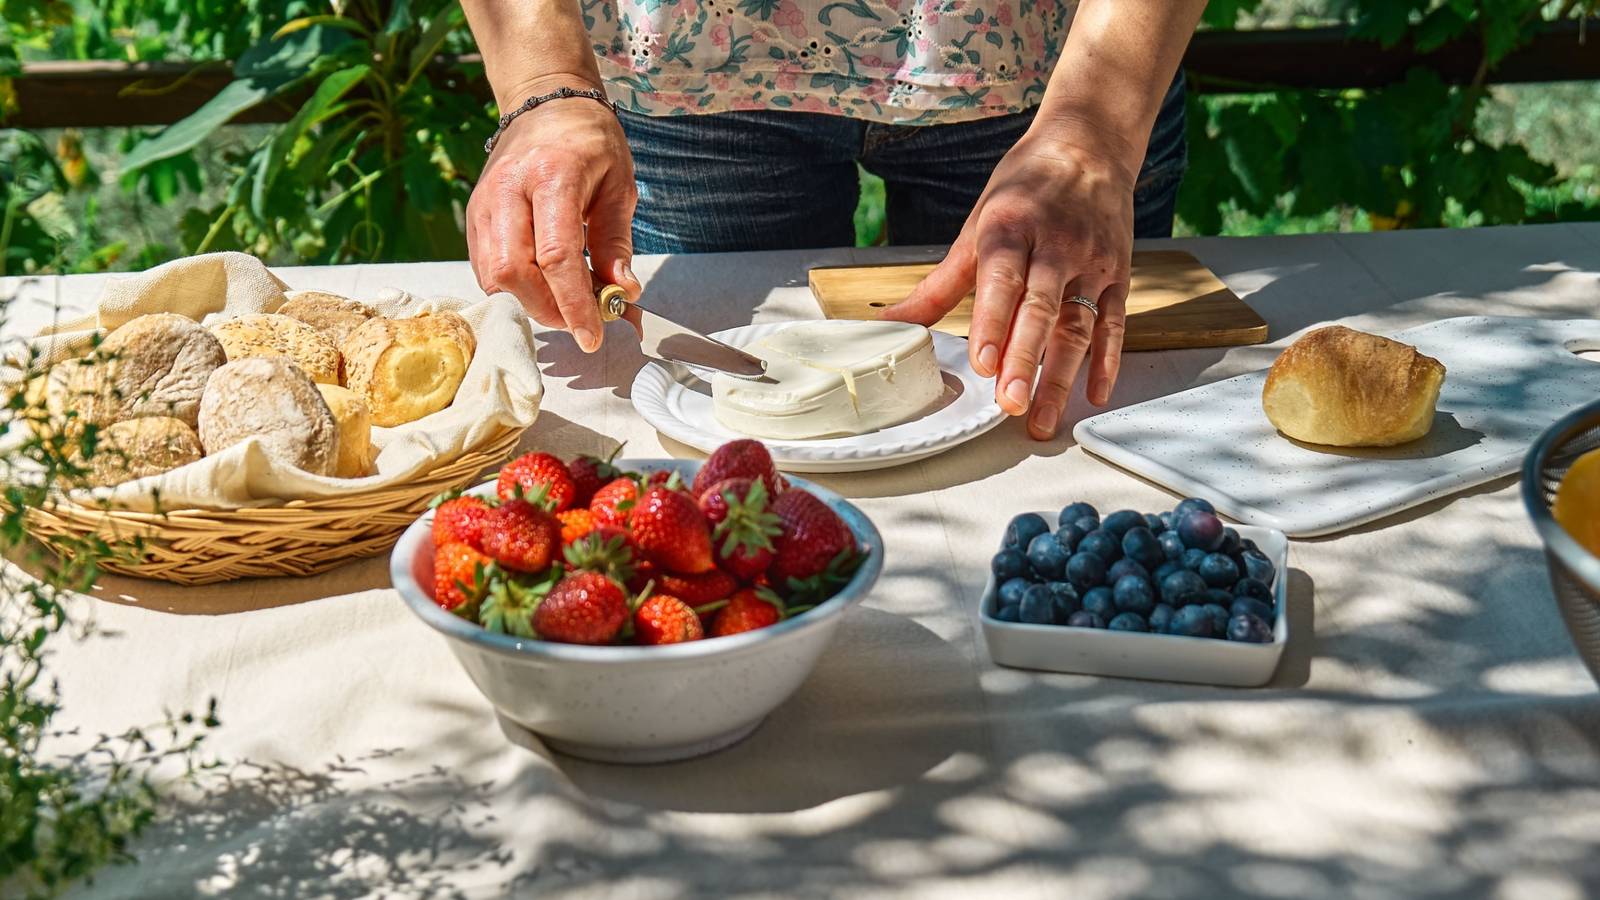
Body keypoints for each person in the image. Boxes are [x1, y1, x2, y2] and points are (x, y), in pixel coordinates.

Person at [461, 0, 1207, 439]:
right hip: (688, 64)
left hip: (1063, 65)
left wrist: (1096, 122)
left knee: (1040, 432)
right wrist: (543, 81)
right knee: (716, 448)